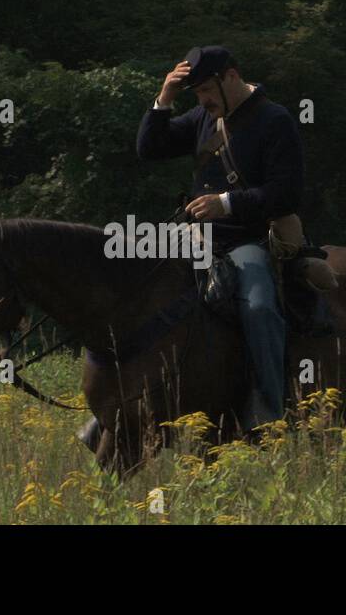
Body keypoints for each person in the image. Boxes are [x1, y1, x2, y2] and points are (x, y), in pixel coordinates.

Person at [136, 45, 305, 434]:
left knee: (260, 308)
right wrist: (164, 98)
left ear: (232, 77)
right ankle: (122, 405)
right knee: (139, 286)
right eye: (196, 94)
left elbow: (287, 194)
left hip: (250, 239)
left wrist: (226, 203)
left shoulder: (274, 120)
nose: (203, 100)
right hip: (193, 239)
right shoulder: (202, 118)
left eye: (207, 91)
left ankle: (270, 411)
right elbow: (148, 148)